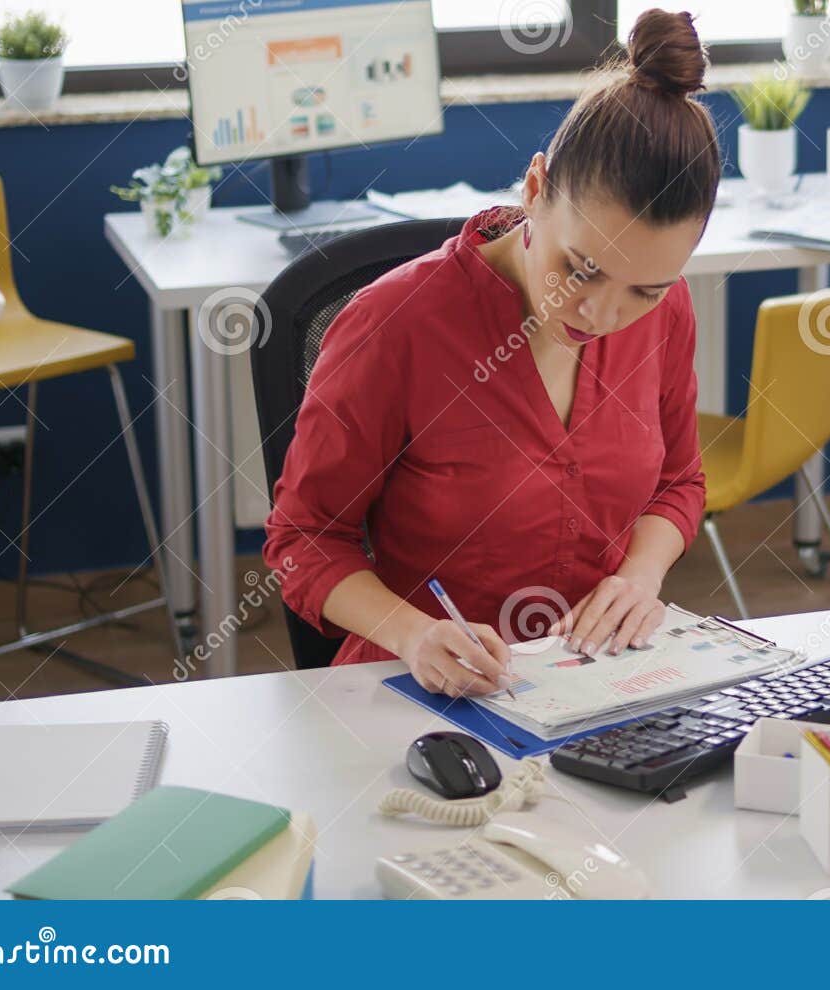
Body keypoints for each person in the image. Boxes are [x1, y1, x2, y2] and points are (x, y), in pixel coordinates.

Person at [264, 9, 721, 698]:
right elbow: (302, 541)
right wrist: (412, 633)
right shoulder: (394, 327)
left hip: (593, 686)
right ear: (535, 190)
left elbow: (679, 483)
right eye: (583, 269)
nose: (602, 315)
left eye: (644, 290)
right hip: (422, 692)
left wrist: (639, 575)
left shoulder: (669, 312)